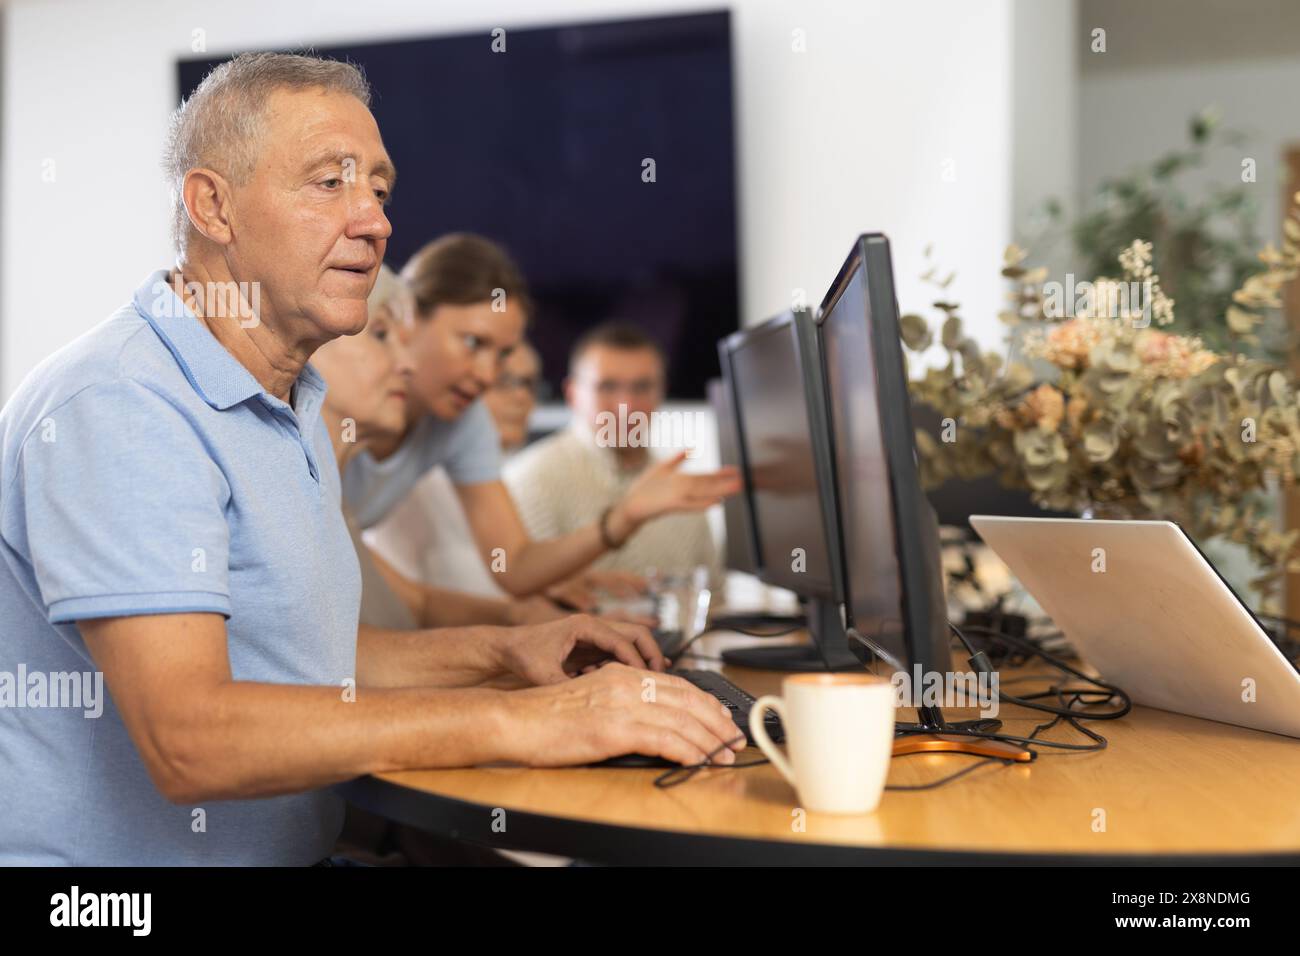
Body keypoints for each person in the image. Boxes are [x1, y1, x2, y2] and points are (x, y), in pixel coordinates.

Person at [0, 52, 742, 866]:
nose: (376, 221)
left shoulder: (294, 403)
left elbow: (314, 656)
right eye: (330, 184)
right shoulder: (122, 405)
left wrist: (505, 652)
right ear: (213, 205)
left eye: (380, 190)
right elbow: (190, 741)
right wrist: (524, 720)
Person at [343, 233, 740, 599]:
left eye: (501, 354)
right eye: (472, 342)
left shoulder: (464, 421)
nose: (486, 375)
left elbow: (513, 564)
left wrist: (623, 517)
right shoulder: (342, 396)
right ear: (408, 318)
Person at [505, 322, 723, 591]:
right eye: (607, 387)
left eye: (641, 387)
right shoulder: (531, 478)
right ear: (573, 394)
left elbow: (712, 598)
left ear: (661, 392)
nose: (626, 407)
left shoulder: (680, 490)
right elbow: (522, 601)